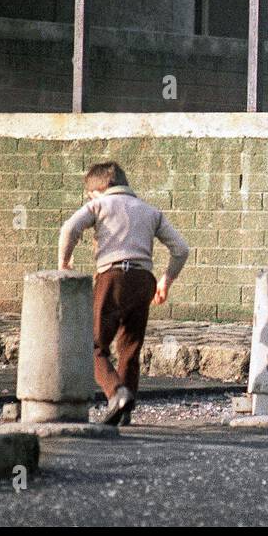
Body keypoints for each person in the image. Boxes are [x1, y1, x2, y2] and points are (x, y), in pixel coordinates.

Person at [58, 161, 189, 425]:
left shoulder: (99, 205)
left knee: (94, 346)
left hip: (112, 277)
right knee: (130, 348)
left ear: (99, 189)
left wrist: (64, 262)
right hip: (144, 280)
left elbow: (69, 229)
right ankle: (125, 412)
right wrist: (166, 280)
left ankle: (116, 393)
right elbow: (181, 249)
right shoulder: (151, 211)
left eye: (89, 195)